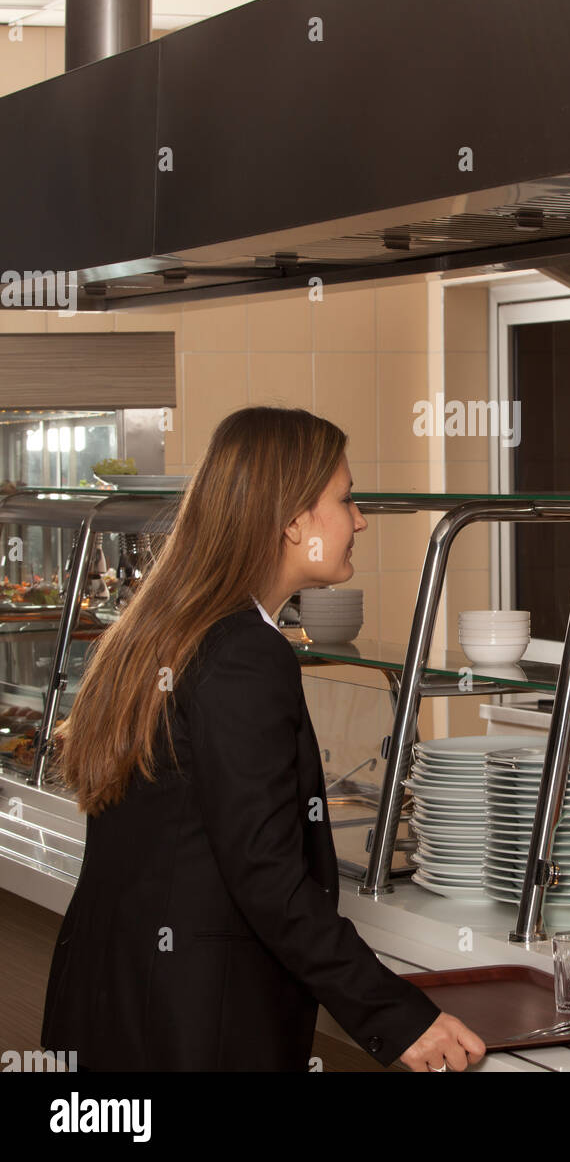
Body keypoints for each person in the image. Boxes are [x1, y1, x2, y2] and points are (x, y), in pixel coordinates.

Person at [41, 406, 485, 1073]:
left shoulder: (165, 628)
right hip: (190, 1027)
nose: (360, 519)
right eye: (346, 498)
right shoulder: (245, 652)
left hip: (110, 1009)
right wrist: (395, 1016)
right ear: (292, 520)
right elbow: (266, 874)